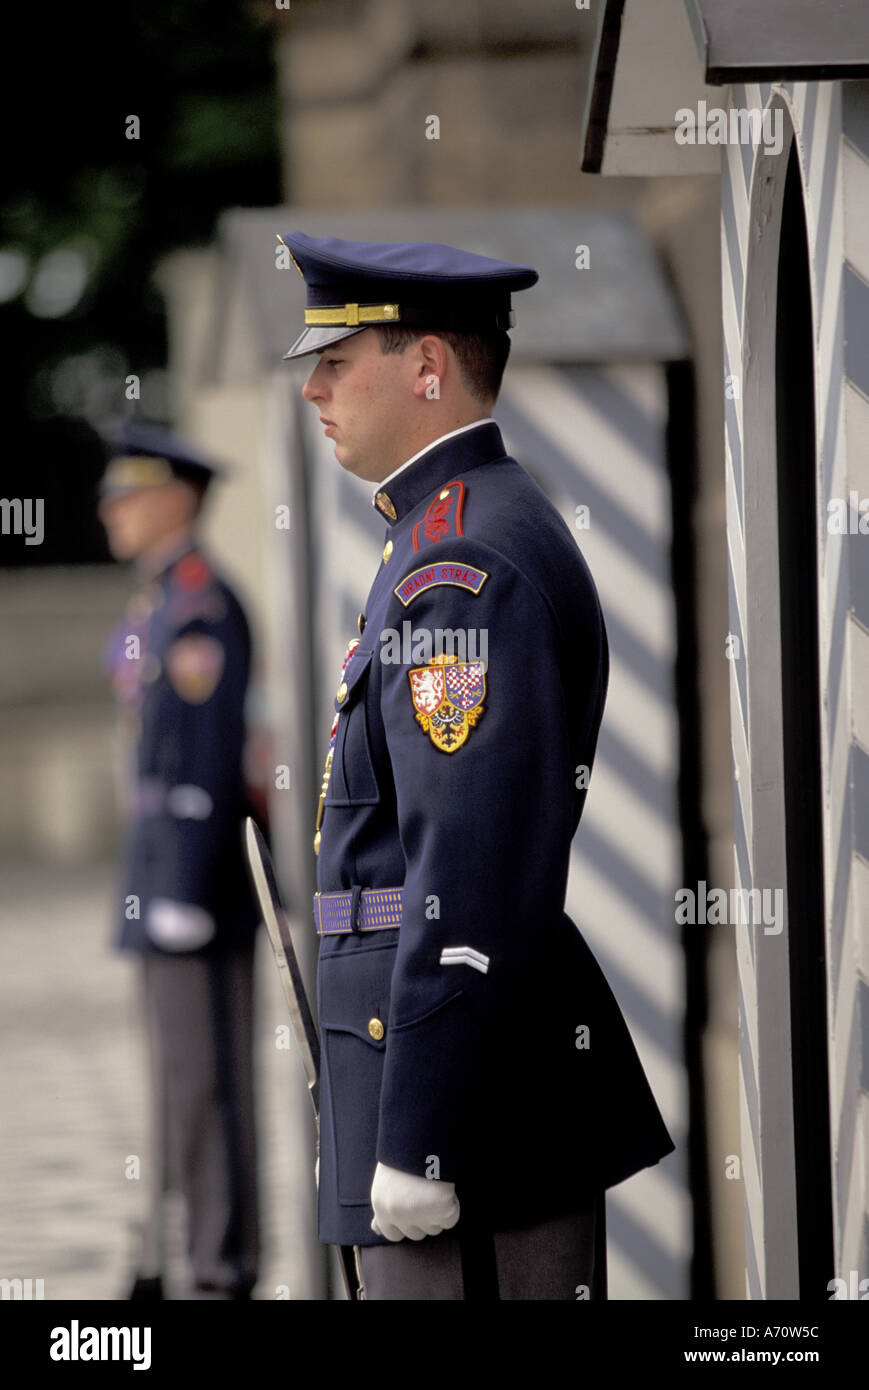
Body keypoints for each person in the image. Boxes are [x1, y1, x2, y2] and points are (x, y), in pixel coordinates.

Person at [279, 232, 676, 1300]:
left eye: (336, 357)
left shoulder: (462, 564)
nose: (313, 385)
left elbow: (468, 861)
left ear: (425, 367)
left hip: (460, 1100)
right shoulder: (435, 537)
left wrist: (418, 1133)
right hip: (425, 1067)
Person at [99, 421, 260, 1300]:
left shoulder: (201, 604)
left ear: (174, 500)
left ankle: (217, 1268)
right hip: (157, 879)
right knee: (175, 1087)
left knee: (209, 1091)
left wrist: (186, 882)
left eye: (128, 493)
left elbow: (206, 753)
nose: (111, 510)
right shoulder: (157, 601)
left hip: (191, 885)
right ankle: (173, 1258)